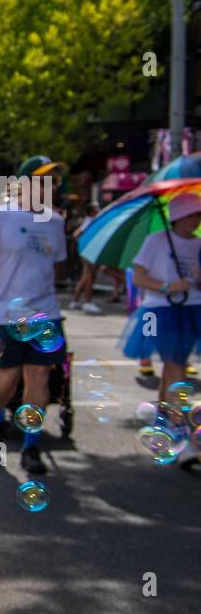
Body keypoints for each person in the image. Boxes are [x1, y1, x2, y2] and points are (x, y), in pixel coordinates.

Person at [0, 156, 67, 475]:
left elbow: (57, 267)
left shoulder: (56, 222)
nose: (48, 187)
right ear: (22, 184)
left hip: (45, 313)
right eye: (41, 179)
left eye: (52, 181)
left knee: (39, 375)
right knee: (7, 379)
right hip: (5, 314)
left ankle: (31, 445)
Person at [119, 191, 201, 458]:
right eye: (191, 214)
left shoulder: (198, 244)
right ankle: (180, 432)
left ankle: (163, 421)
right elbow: (140, 278)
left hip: (192, 310)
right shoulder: (157, 241)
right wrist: (166, 286)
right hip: (161, 312)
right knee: (176, 366)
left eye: (198, 215)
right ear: (177, 216)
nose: (195, 220)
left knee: (173, 364)